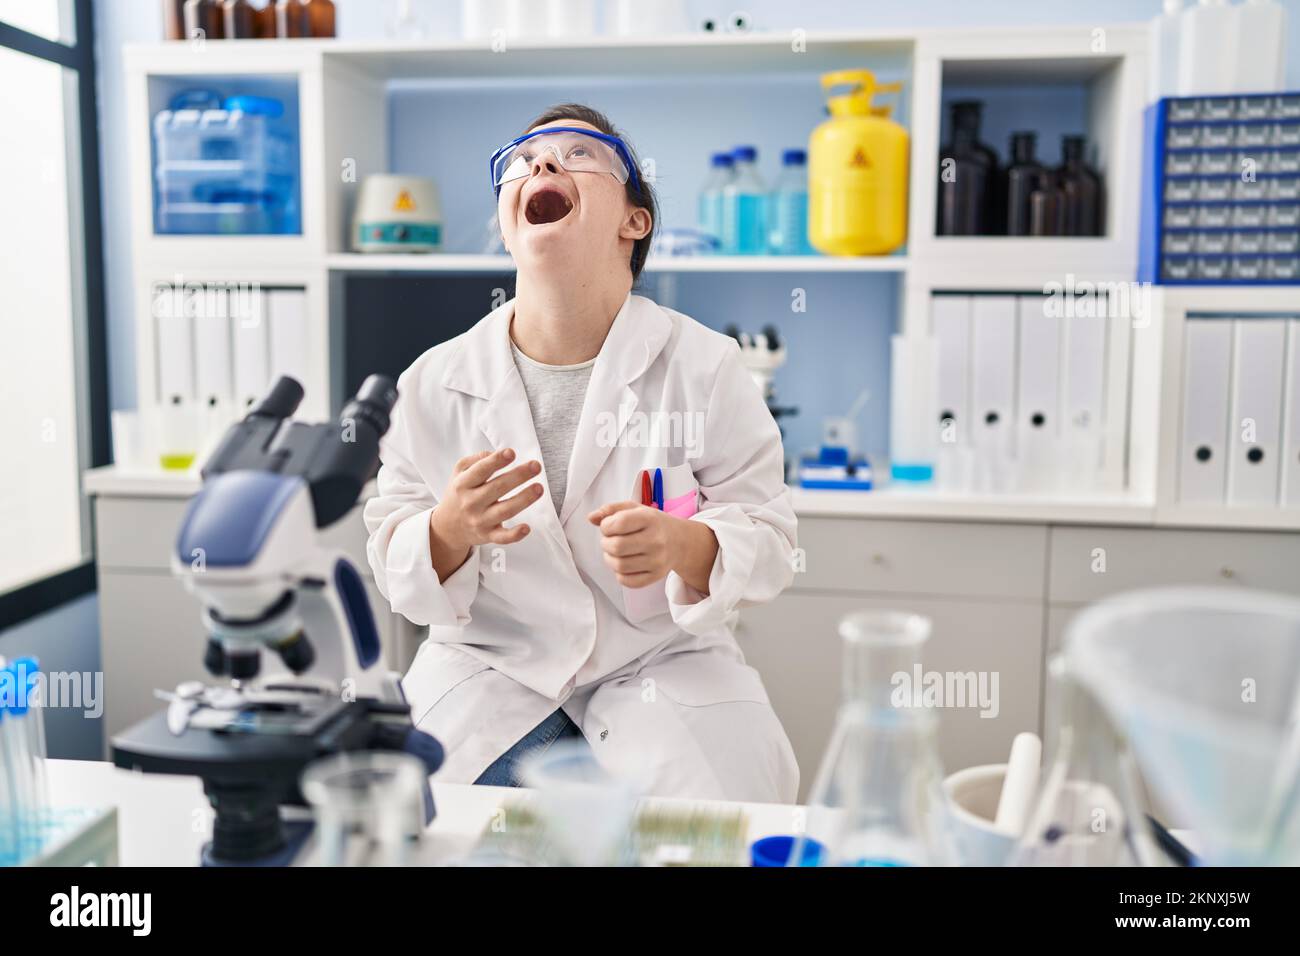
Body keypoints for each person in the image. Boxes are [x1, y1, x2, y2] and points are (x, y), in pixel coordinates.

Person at [364, 104, 798, 803]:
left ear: (635, 221)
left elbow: (774, 543)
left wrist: (686, 546)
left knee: (719, 829)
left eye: (577, 154)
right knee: (409, 823)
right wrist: (446, 531)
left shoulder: (707, 368)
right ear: (506, 224)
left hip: (665, 665)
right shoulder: (433, 382)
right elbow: (394, 563)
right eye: (522, 161)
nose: (540, 165)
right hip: (489, 668)